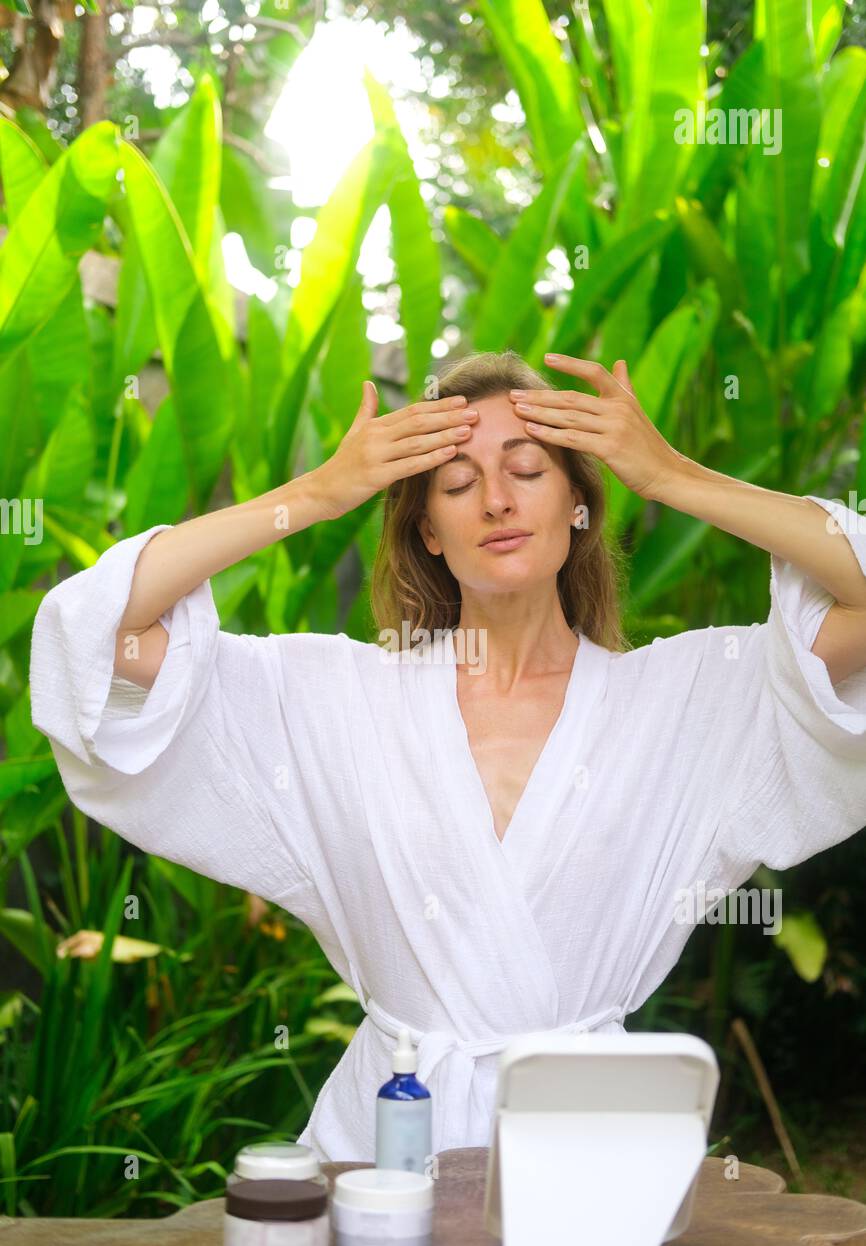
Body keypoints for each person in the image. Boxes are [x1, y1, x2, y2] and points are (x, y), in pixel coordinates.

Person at [29, 349, 866, 1162]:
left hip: (584, 1160)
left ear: (580, 504)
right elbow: (94, 638)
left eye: (529, 471)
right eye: (460, 485)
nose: (496, 499)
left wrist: (670, 476)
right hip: (382, 1157)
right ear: (428, 531)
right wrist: (318, 495)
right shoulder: (334, 701)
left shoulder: (686, 700)